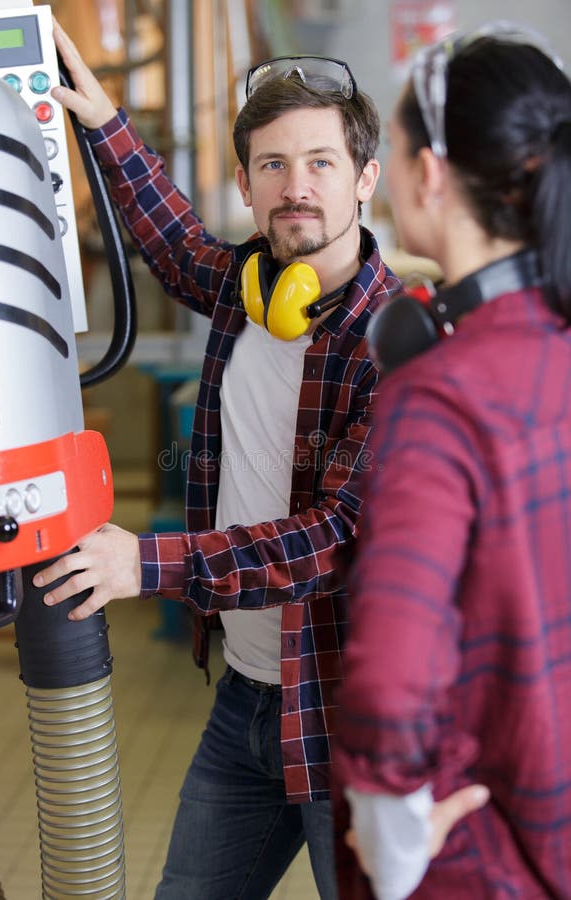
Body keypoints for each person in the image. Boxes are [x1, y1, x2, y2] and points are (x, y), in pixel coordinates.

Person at [35, 22, 401, 899]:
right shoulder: (247, 290)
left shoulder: (398, 346)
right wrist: (104, 125)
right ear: (245, 182)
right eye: (272, 165)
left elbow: (334, 538)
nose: (296, 187)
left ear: (366, 179)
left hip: (345, 715)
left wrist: (145, 563)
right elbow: (171, 245)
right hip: (244, 695)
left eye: (320, 162)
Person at [332, 20, 571, 900]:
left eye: (389, 151)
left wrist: (392, 848)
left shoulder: (439, 395)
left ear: (430, 173)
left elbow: (393, 685)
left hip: (480, 856)